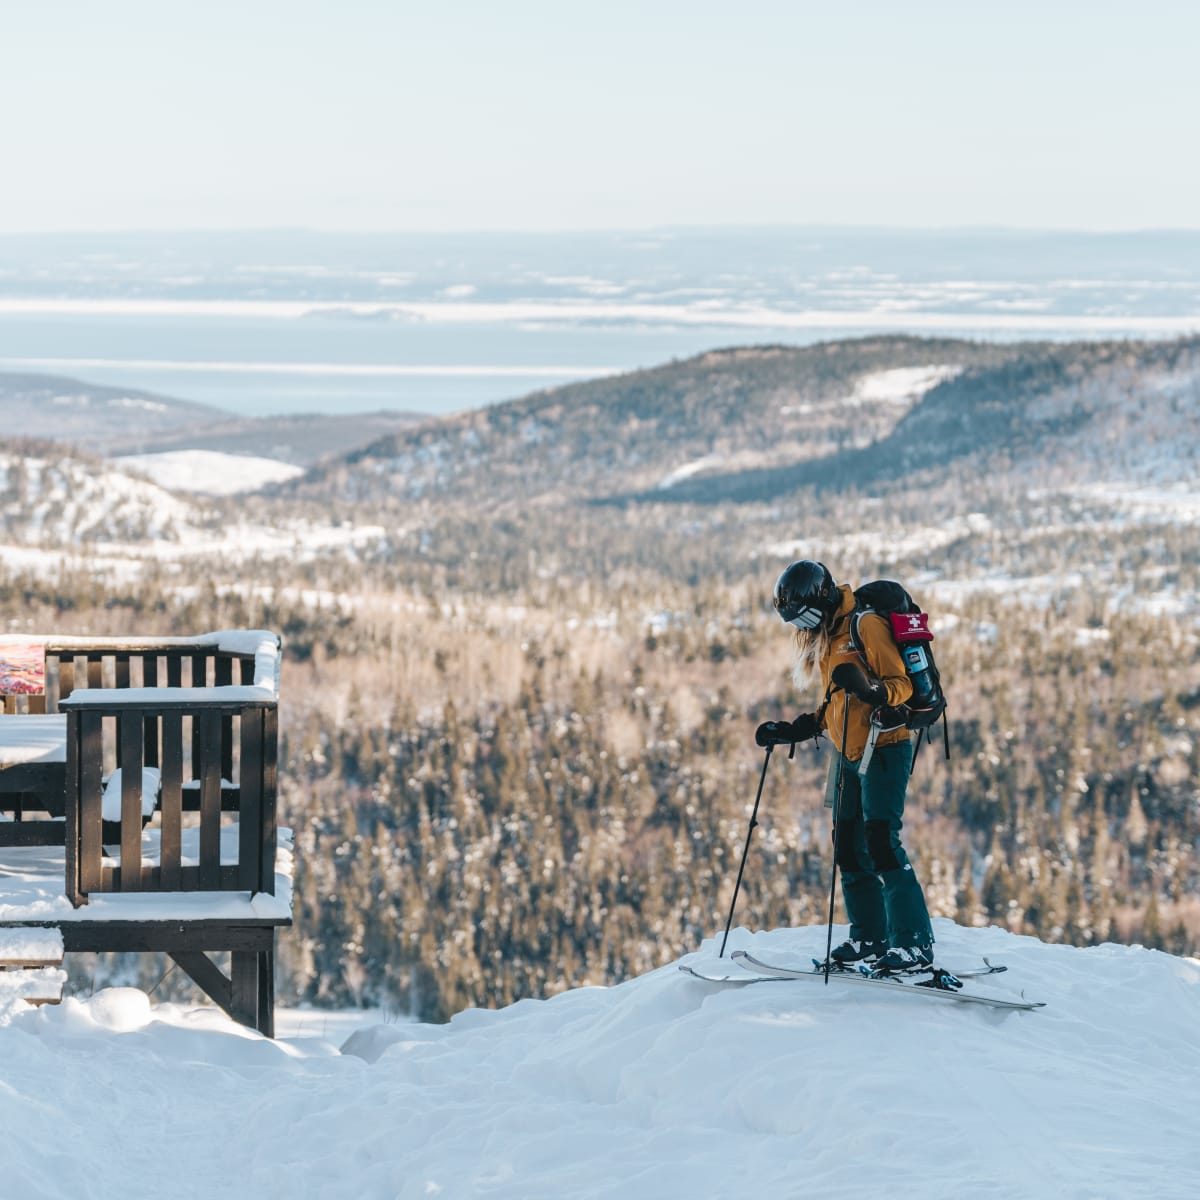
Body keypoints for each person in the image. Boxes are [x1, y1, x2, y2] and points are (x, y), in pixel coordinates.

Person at [755, 560, 935, 972]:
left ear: (821, 598)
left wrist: (873, 690)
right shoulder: (829, 634)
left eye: (805, 615)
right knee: (849, 848)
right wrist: (796, 730)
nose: (803, 626)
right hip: (848, 752)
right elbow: (836, 701)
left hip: (885, 746)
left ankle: (913, 944)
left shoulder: (865, 626)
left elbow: (901, 685)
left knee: (881, 842)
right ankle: (869, 936)